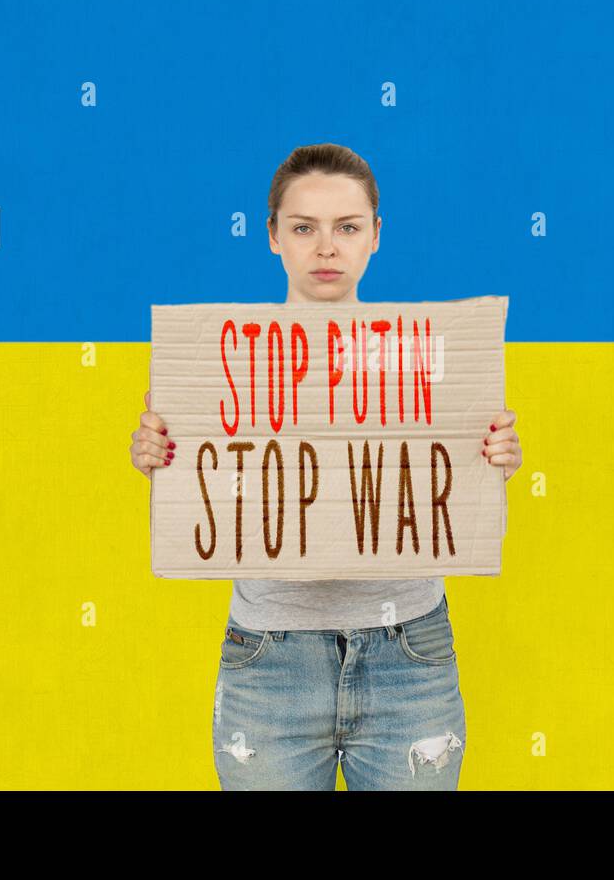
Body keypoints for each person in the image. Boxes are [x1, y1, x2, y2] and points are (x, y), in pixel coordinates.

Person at [128, 143, 522, 789]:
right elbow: (208, 487)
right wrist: (157, 456)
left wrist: (493, 459)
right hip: (270, 659)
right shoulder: (222, 370)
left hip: (409, 655)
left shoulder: (429, 363)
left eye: (347, 227)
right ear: (273, 237)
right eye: (303, 227)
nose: (326, 247)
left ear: (375, 237)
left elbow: (449, 476)